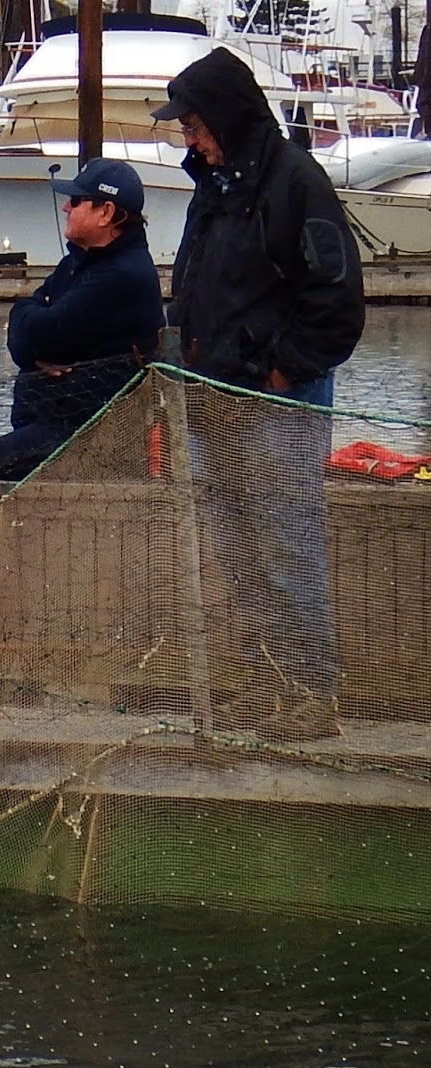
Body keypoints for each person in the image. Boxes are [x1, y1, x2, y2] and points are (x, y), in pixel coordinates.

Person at [151, 47, 366, 741]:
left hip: (278, 403)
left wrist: (282, 370)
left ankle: (312, 694)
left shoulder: (295, 183)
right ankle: (266, 681)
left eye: (193, 125)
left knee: (285, 547)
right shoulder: (216, 188)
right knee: (239, 553)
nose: (189, 139)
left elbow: (336, 302)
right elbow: (198, 286)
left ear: (224, 117)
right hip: (213, 397)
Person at [0, 158, 163, 543]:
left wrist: (34, 331)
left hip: (89, 434)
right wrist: (33, 338)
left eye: (77, 201)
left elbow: (38, 331)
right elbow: (24, 323)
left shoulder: (120, 275)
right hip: (56, 423)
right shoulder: (82, 263)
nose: (66, 206)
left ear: (106, 213)